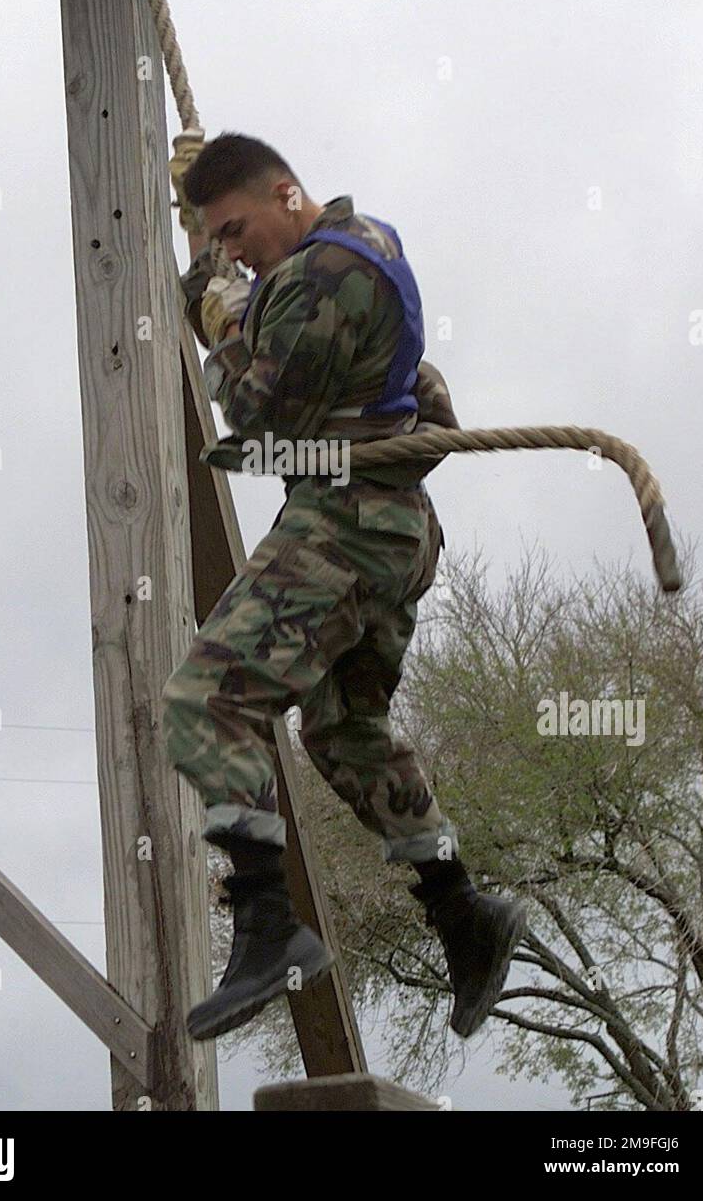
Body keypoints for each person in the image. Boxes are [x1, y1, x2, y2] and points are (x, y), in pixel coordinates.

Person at [162, 132, 527, 1043]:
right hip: (393, 531)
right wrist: (230, 279)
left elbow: (253, 411)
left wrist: (223, 315)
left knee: (207, 700)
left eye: (238, 229)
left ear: (289, 194)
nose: (235, 250)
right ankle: (462, 911)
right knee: (341, 730)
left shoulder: (327, 270)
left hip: (349, 525)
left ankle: (265, 925)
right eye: (221, 240)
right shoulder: (368, 250)